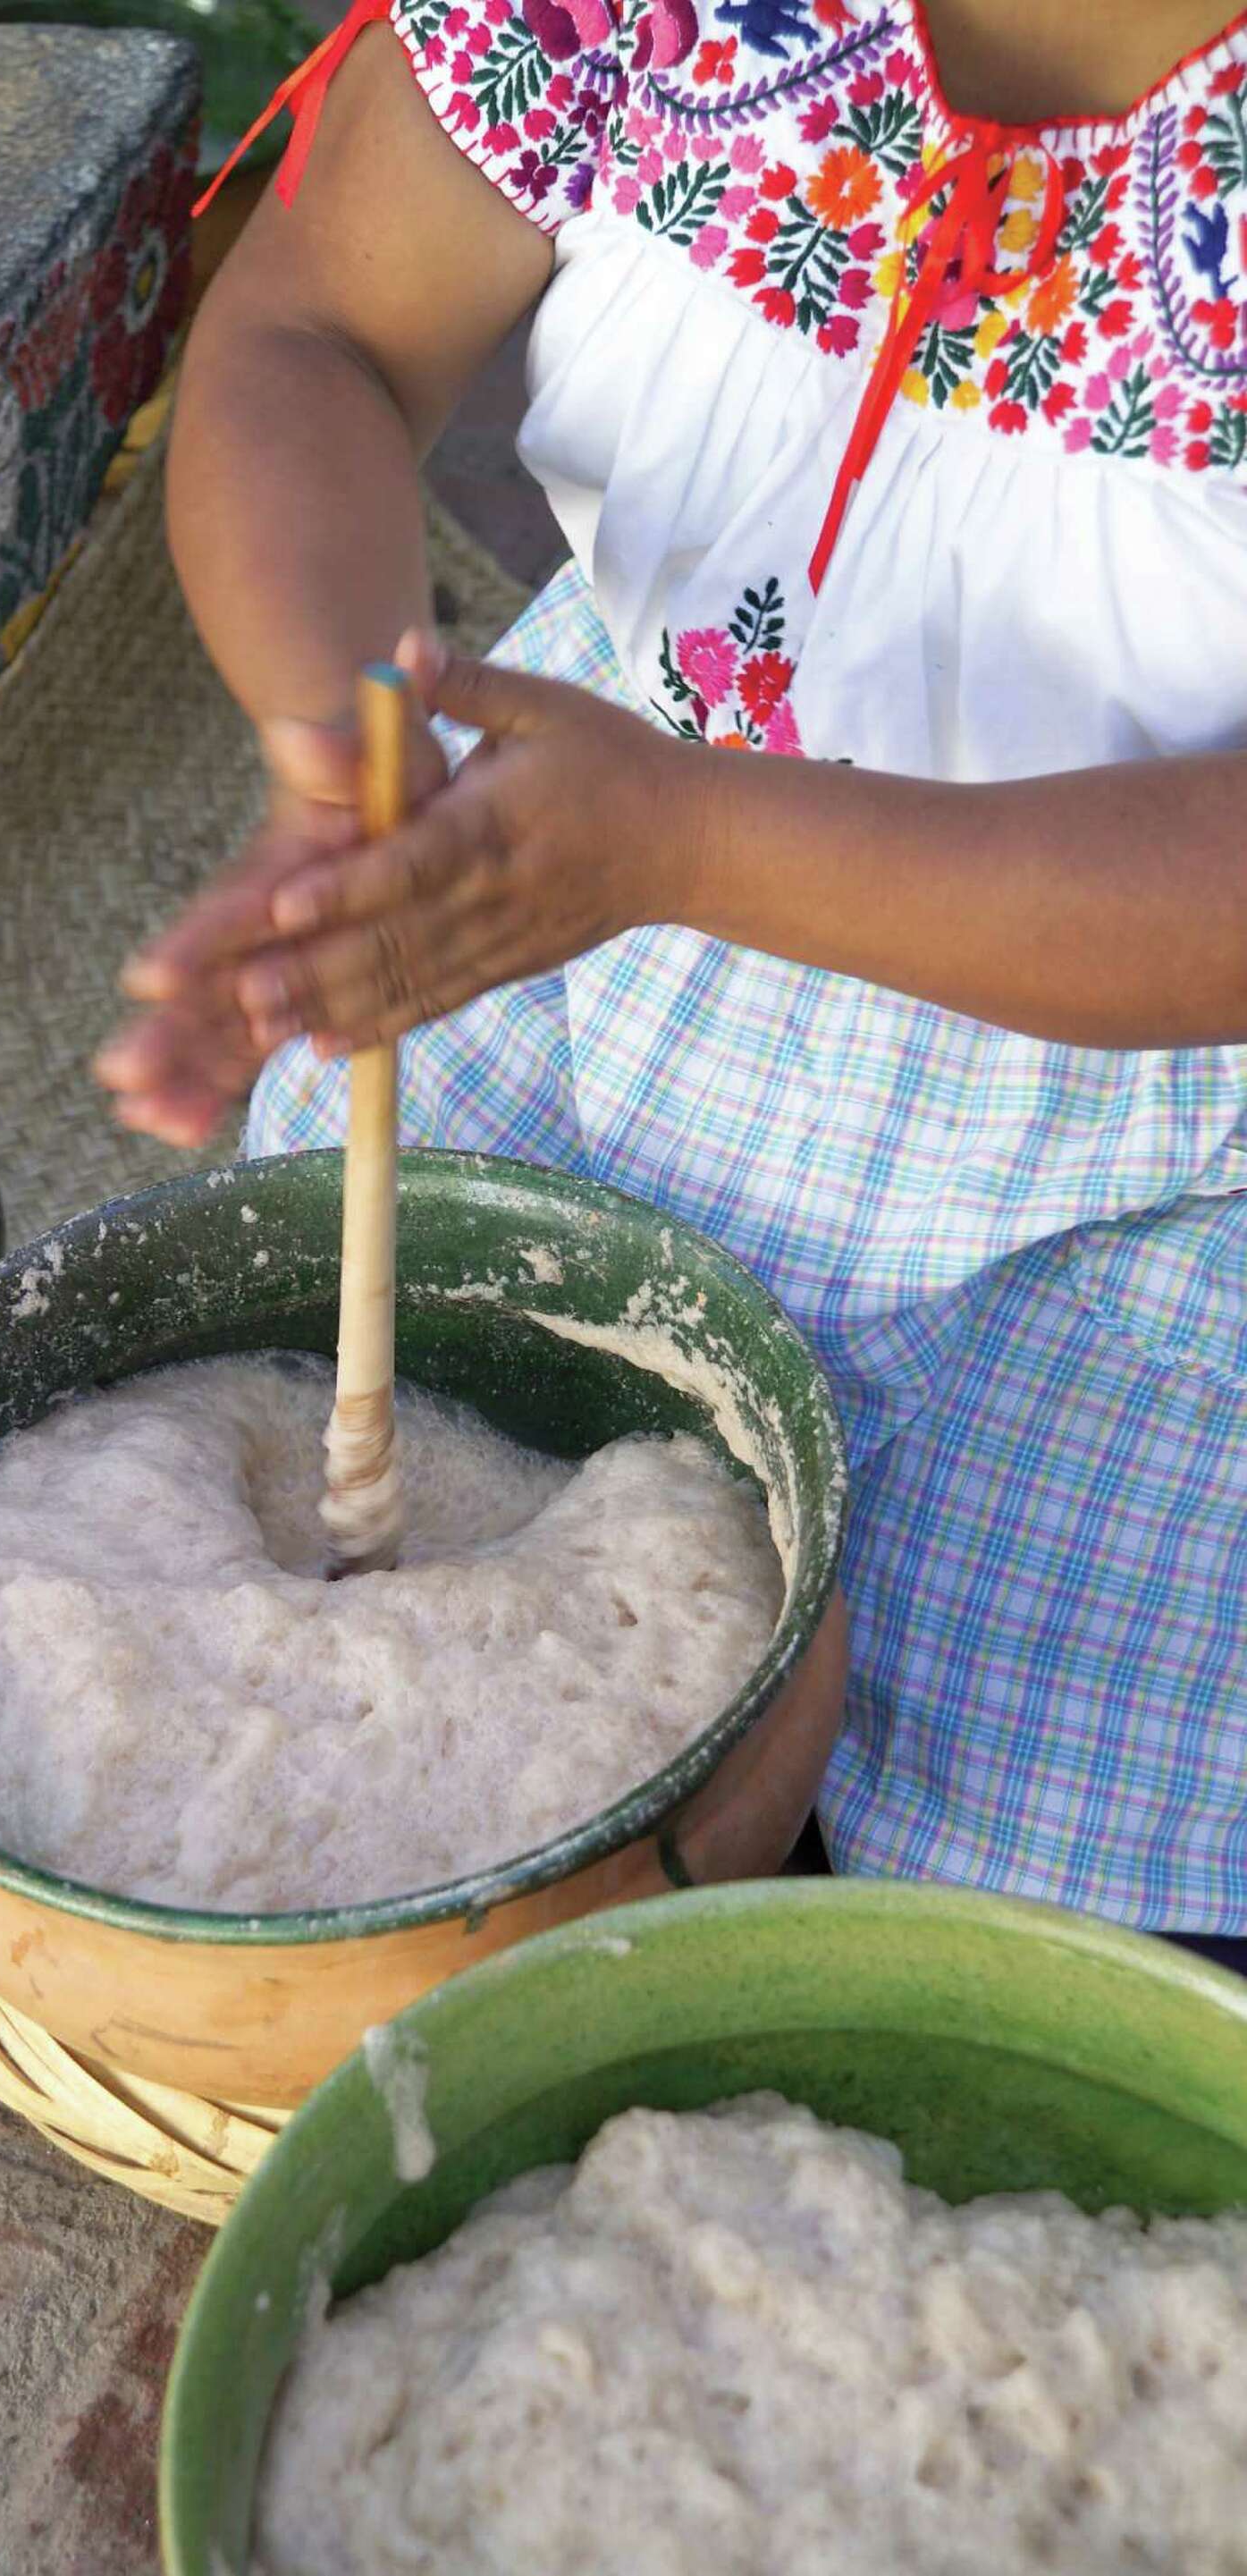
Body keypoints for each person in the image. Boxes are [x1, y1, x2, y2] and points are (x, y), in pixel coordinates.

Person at [97, 0, 1247, 1946]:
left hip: (1156, 1113)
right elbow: (324, 329)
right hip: (589, 933)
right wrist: (355, 751)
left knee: (1038, 1952)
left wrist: (688, 843)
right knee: (299, 1538)